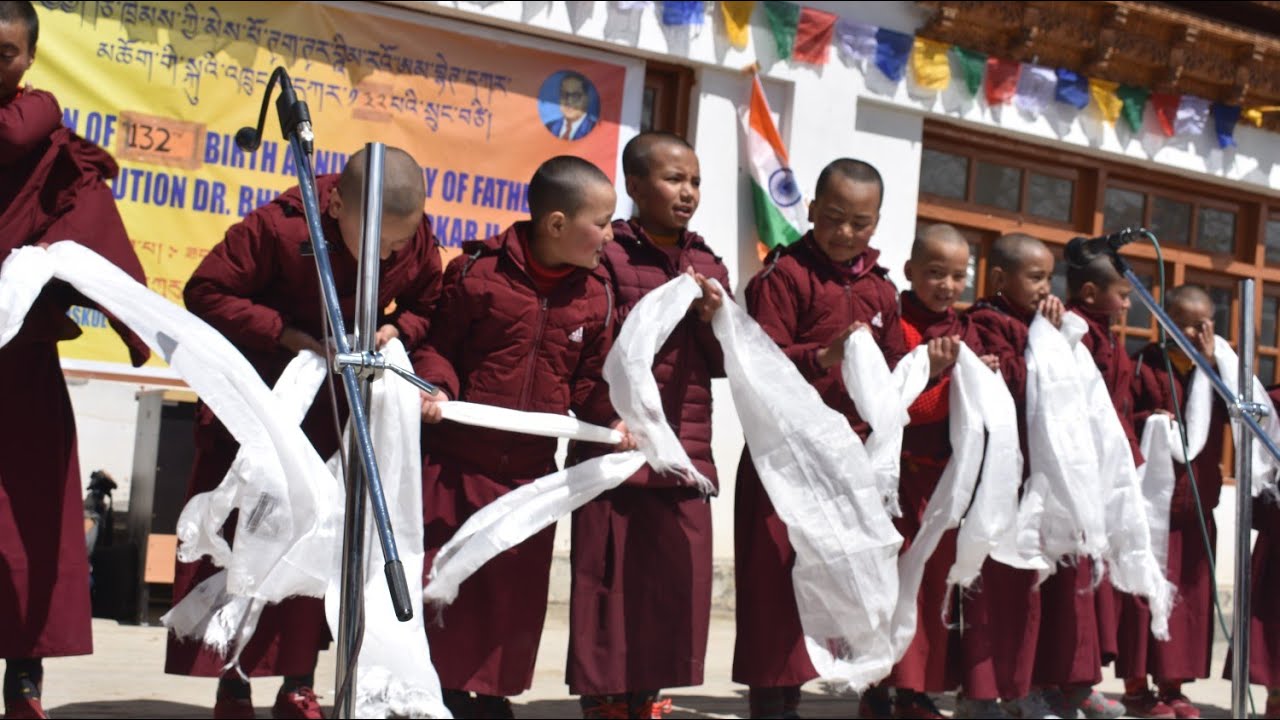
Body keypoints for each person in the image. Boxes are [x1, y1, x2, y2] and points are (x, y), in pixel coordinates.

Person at [169, 146, 443, 720]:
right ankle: (233, 683)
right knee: (253, 543)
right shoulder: (278, 227)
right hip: (264, 406)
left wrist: (393, 327)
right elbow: (206, 292)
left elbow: (428, 301)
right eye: (381, 243)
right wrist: (291, 336)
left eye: (398, 243)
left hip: (337, 420)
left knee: (319, 547)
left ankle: (299, 683)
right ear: (338, 203)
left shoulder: (411, 237)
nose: (392, 252)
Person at [416, 155, 631, 720]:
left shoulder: (597, 297)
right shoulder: (474, 273)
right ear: (556, 224)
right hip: (454, 464)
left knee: (509, 596)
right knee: (441, 587)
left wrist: (613, 422)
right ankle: (429, 695)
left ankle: (489, 699)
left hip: (530, 477)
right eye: (602, 222)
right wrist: (435, 388)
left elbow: (590, 386)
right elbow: (437, 346)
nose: (610, 236)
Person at [0, 2, 151, 718]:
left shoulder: (49, 144)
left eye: (3, 53)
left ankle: (24, 679)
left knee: (27, 521)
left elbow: (91, 232)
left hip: (18, 365)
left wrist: (134, 323)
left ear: (29, 58)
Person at [731, 158, 909, 719]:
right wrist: (822, 355)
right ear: (810, 210)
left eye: (861, 222)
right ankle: (773, 703)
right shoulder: (782, 278)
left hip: (849, 464)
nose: (846, 233)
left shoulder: (882, 292)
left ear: (876, 224)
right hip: (783, 460)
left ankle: (854, 688)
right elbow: (757, 365)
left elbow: (894, 371)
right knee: (775, 585)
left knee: (846, 582)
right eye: (834, 218)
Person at [564, 132, 727, 720]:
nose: (688, 193)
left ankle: (649, 695)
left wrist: (714, 321)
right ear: (634, 187)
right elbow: (586, 339)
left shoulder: (706, 262)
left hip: (685, 446)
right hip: (616, 440)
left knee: (672, 583)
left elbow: (727, 365)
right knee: (607, 576)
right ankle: (604, 699)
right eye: (673, 179)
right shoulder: (608, 254)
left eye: (695, 182)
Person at [862, 225, 997, 719]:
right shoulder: (897, 326)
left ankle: (916, 692)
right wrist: (941, 375)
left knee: (933, 589)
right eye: (935, 273)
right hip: (899, 482)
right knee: (891, 586)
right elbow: (900, 408)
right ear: (910, 272)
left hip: (945, 486)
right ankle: (876, 688)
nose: (946, 285)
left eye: (957, 275)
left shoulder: (964, 330)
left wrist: (984, 374)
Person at [1023, 250, 1139, 720]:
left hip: (1100, 476)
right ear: (1090, 292)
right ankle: (1043, 685)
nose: (1129, 305)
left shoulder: (1106, 335)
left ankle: (1079, 683)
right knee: (1058, 585)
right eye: (1123, 294)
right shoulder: (1067, 329)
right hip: (1064, 475)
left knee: (1087, 589)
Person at [956, 233, 1062, 719]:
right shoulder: (982, 322)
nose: (1046, 288)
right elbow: (1012, 385)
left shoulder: (1034, 322)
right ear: (1000, 279)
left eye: (1049, 277)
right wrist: (1043, 340)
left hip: (1034, 478)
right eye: (1035, 277)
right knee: (988, 589)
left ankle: (1016, 689)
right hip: (995, 476)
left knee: (1027, 590)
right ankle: (979, 693)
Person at [1121, 285, 1228, 720]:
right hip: (1151, 508)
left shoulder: (1218, 372)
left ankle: (1174, 687)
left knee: (1187, 603)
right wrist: (1154, 421)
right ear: (1162, 322)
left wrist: (1214, 364)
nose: (1192, 333)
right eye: (1182, 323)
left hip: (1195, 506)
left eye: (1202, 325)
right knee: (1142, 596)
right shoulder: (1145, 365)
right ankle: (1135, 688)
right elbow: (1126, 416)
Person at [545, 72, 598, 141]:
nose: (569, 101)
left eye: (575, 96)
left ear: (586, 99)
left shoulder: (595, 130)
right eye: (564, 95)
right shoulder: (549, 127)